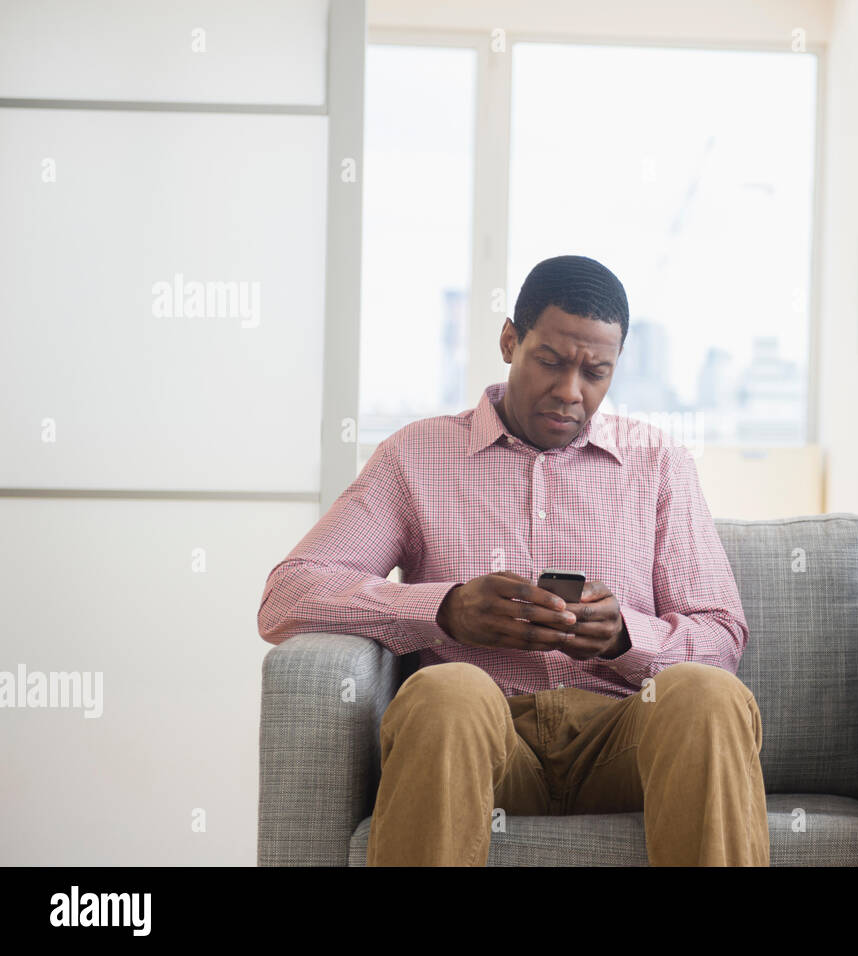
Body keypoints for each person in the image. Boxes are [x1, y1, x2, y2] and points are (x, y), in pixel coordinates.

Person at [258, 254, 768, 866]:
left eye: (596, 373)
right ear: (510, 340)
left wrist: (626, 638)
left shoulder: (658, 464)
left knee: (708, 696)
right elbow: (288, 596)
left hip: (623, 739)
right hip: (481, 735)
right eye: (550, 361)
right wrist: (442, 608)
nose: (570, 392)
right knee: (446, 691)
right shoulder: (416, 455)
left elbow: (722, 636)